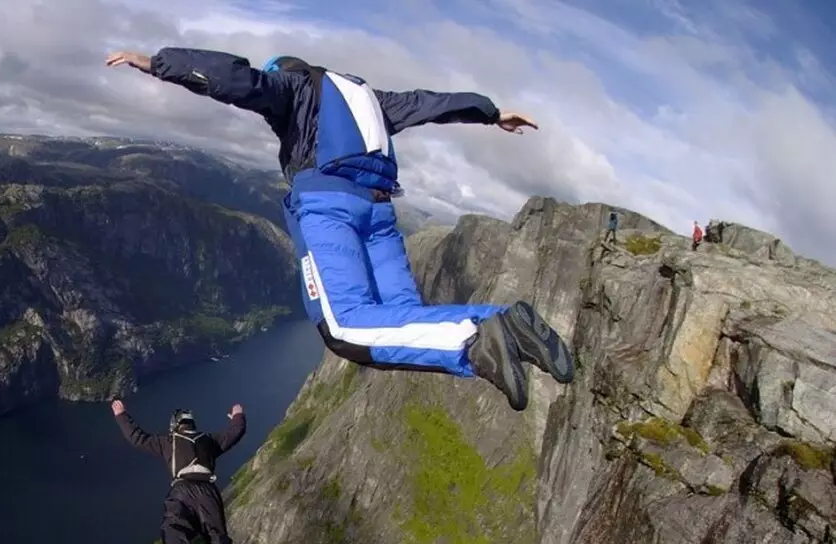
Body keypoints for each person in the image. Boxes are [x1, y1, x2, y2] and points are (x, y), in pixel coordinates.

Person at [104, 48, 574, 412]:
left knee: (345, 327)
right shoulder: (370, 98)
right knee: (401, 325)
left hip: (331, 208)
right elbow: (430, 104)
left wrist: (160, 65)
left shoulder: (296, 86)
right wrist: (489, 112)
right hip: (380, 215)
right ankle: (508, 324)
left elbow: (239, 80)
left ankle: (483, 331)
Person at [112, 400, 246, 544]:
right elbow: (236, 432)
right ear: (192, 425)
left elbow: (137, 438)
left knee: (173, 528)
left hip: (181, 491)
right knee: (216, 535)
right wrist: (237, 415)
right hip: (207, 491)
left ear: (175, 425)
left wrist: (121, 415)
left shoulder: (168, 441)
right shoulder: (209, 440)